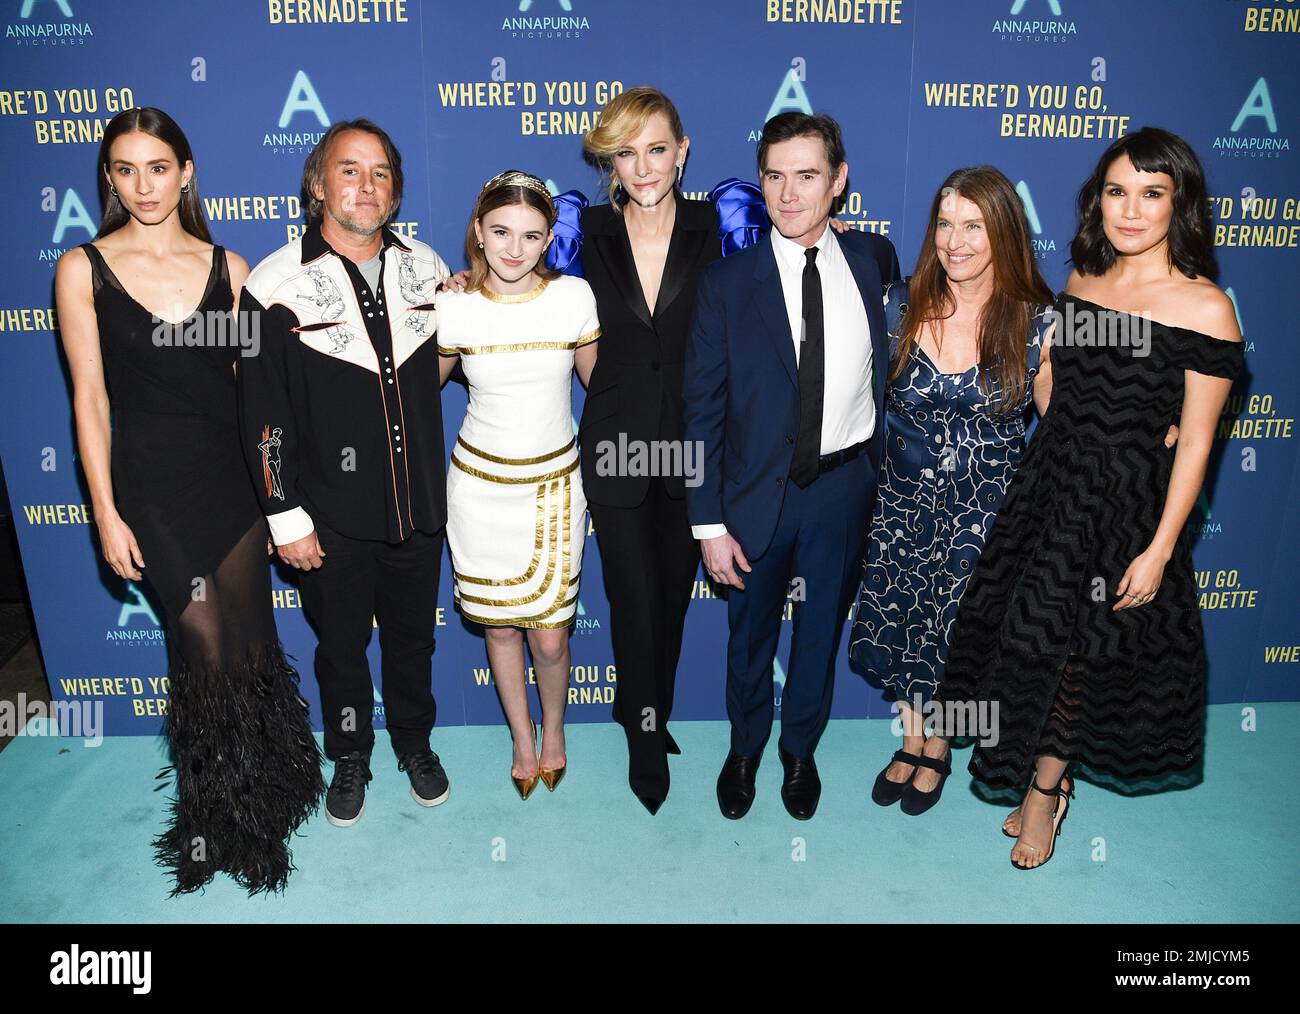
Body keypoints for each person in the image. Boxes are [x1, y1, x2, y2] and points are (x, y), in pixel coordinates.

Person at [932, 127, 1244, 869]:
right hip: (1050, 488)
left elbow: (1197, 441)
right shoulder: (1081, 281)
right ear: (1096, 200)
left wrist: (1163, 549)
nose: (1130, 210)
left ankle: (1045, 792)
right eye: (1116, 191)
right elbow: (1056, 390)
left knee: (1081, 654)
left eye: (1151, 193)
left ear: (1180, 205)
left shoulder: (1206, 310)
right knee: (1030, 641)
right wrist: (1045, 384)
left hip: (1128, 506)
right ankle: (1042, 770)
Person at [54, 107, 323, 895]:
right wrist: (105, 509)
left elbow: (256, 399)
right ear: (109, 178)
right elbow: (91, 400)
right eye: (125, 169)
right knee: (201, 650)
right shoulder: (83, 269)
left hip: (230, 480)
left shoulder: (231, 270)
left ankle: (273, 790)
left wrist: (280, 500)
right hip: (151, 487)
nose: (143, 185)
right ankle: (218, 816)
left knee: (247, 643)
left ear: (187, 172)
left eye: (158, 167)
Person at [684, 112, 900, 821]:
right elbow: (702, 413)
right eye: (773, 176)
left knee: (818, 637)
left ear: (838, 182)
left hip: (842, 489)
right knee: (748, 638)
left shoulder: (875, 262)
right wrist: (707, 521)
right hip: (751, 497)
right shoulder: (725, 283)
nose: (787, 193)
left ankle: (798, 752)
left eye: (806, 175)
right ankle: (745, 748)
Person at [237, 119, 453, 828]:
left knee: (413, 639)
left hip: (419, 507)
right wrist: (283, 515)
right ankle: (351, 753)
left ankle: (416, 744)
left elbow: (437, 369)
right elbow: (261, 415)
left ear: (396, 189)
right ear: (318, 183)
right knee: (341, 648)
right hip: (328, 516)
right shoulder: (272, 284)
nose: (366, 184)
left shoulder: (426, 266)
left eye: (381, 172)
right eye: (350, 169)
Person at [848, 167, 1056, 816]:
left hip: (985, 521)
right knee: (907, 628)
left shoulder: (1038, 325)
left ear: (1004, 233)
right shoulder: (895, 307)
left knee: (954, 636)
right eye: (945, 223)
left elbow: (1065, 433)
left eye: (974, 225)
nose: (956, 240)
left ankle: (936, 747)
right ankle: (910, 737)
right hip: (900, 510)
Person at [576, 87, 717, 814]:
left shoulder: (718, 226)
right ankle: (643, 736)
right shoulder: (587, 231)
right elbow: (529, 288)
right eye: (625, 153)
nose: (643, 166)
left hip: (694, 448)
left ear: (682, 151)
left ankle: (645, 707)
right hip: (619, 445)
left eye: (656, 148)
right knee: (630, 596)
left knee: (671, 598)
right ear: (611, 161)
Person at [436, 170, 599, 800]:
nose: (513, 248)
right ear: (478, 230)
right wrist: (430, 301)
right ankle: (522, 740)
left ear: (549, 237)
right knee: (500, 629)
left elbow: (604, 390)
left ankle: (554, 730)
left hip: (555, 489)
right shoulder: (455, 305)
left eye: (531, 236)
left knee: (550, 635)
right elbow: (417, 389)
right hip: (478, 489)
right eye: (500, 231)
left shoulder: (574, 299)